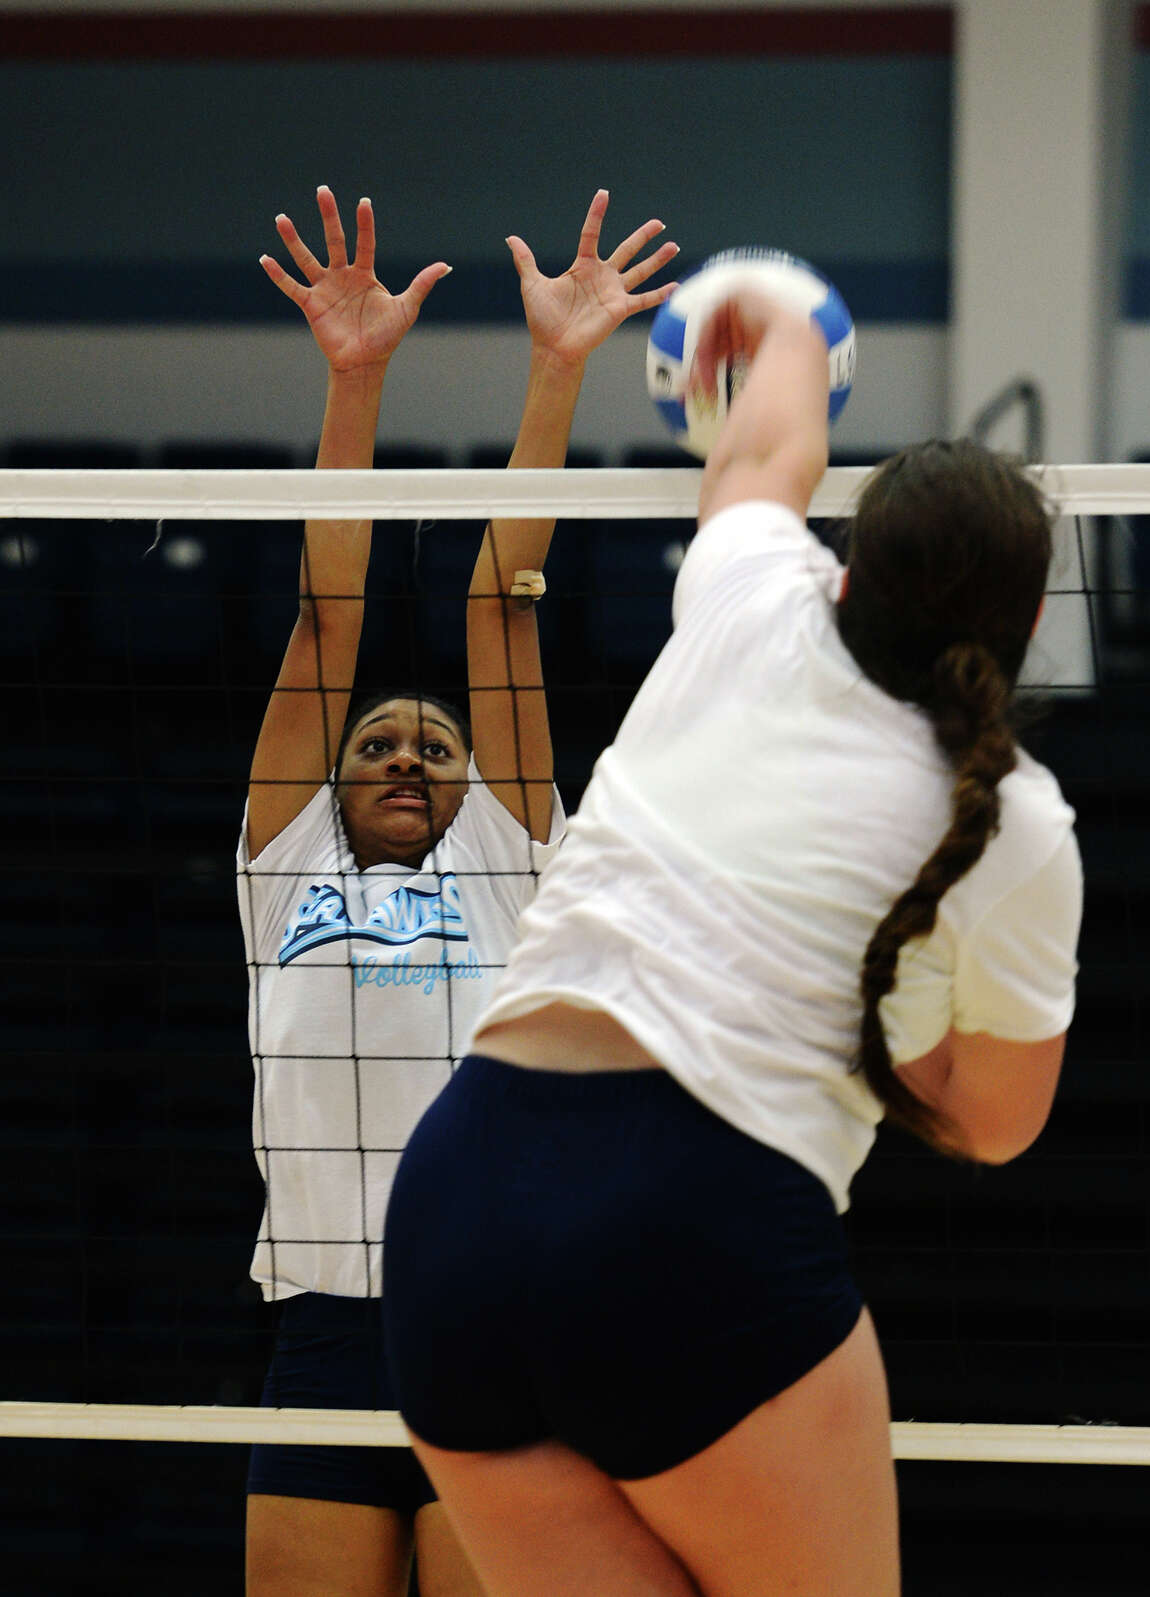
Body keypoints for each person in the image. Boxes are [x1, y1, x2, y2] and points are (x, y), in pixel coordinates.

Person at [381, 290, 1084, 1595]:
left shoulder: (754, 587)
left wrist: (782, 317)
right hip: (686, 1224)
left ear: (851, 571)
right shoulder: (1021, 822)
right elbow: (995, 1121)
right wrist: (888, 1027)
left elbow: (765, 452)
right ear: (1027, 630)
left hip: (452, 1202)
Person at [237, 184, 678, 1597]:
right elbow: (327, 614)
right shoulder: (279, 859)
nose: (412, 750)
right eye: (381, 740)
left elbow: (503, 598)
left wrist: (559, 367)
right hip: (320, 1336)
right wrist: (351, 382)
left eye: (436, 739)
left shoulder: (504, 859)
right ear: (333, 782)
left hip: (485, 1319)